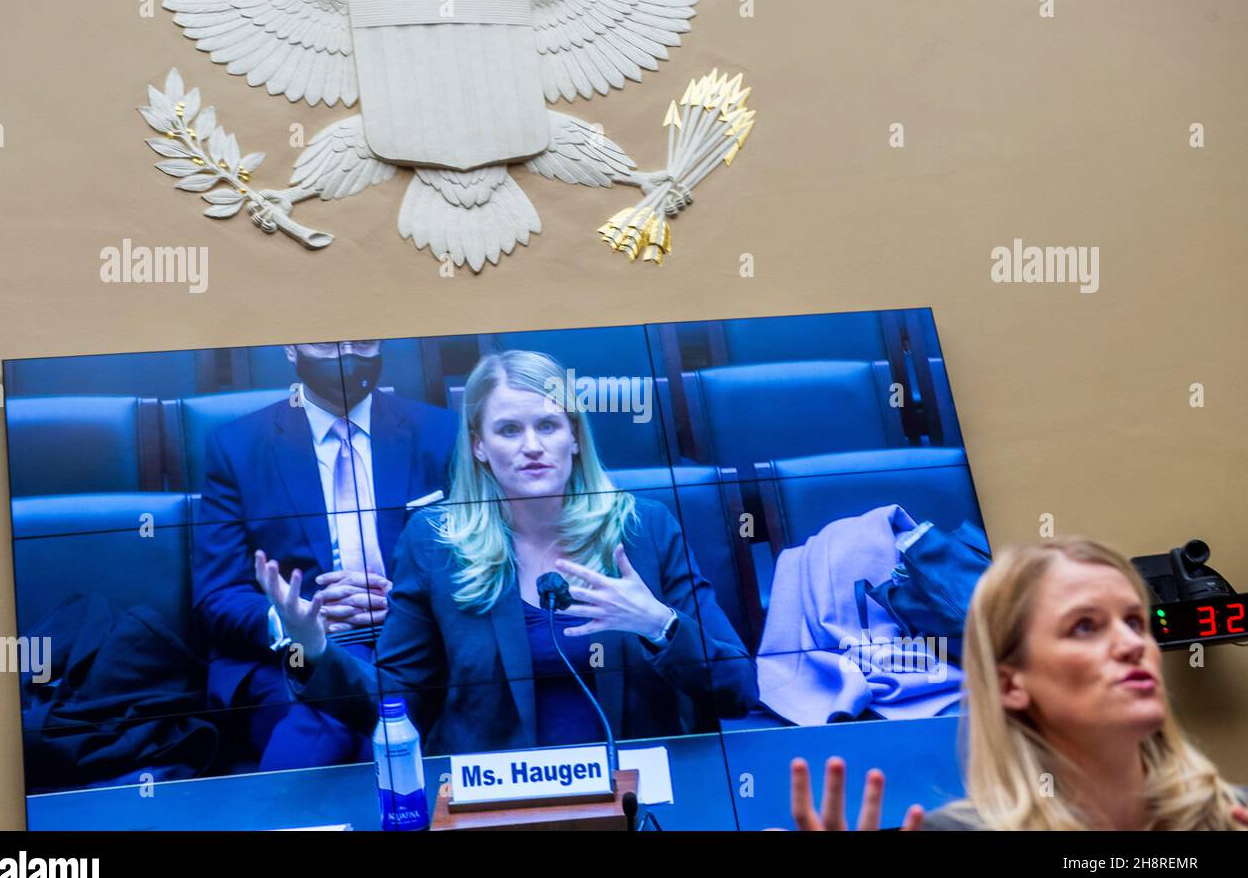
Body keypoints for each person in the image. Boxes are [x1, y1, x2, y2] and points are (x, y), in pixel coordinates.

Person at [270, 349, 758, 754]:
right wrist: (310, 651)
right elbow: (398, 705)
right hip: (497, 803)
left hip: (635, 796)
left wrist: (657, 624)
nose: (532, 447)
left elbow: (737, 688)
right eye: (508, 430)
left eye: (548, 426)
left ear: (575, 439)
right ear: (479, 446)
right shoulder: (436, 544)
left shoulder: (645, 529)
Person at [789, 538, 1248, 830]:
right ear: (1011, 684)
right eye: (1085, 627)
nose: (1132, 644)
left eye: (1134, 621)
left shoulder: (1234, 816)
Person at [191, 340, 457, 770]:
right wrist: (293, 619)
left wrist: (408, 606)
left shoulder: (443, 433)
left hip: (413, 644)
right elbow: (215, 597)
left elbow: (481, 558)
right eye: (325, 340)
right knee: (350, 716)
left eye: (361, 340)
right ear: (291, 349)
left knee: (350, 717)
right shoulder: (237, 447)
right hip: (288, 655)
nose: (345, 353)